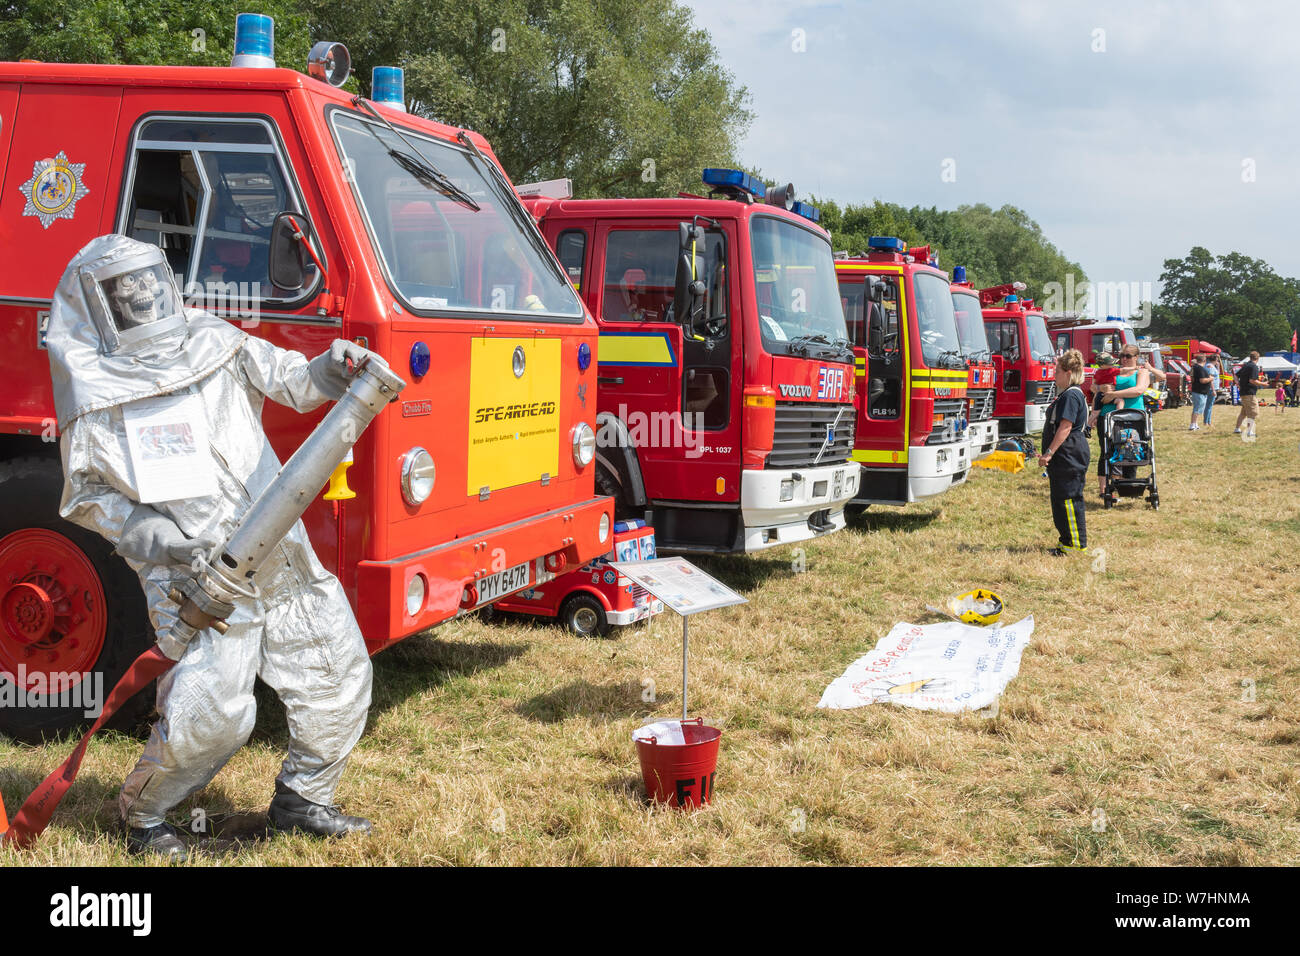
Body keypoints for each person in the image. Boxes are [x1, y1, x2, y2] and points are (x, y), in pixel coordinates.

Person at [46, 235, 378, 861]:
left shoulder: (212, 338)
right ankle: (144, 818)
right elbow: (86, 496)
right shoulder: (95, 391)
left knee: (336, 667)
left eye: (148, 283)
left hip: (280, 545)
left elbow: (292, 381)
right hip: (193, 573)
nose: (143, 298)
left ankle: (304, 797)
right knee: (215, 710)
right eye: (126, 291)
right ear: (94, 305)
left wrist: (329, 371)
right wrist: (160, 539)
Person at [1039, 349, 1090, 555]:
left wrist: (1049, 452)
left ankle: (1075, 545)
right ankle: (1065, 542)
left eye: (1057, 371)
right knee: (1060, 499)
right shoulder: (1068, 394)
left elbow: (1065, 427)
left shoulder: (1071, 395)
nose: (1054, 375)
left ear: (1068, 373)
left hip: (1069, 454)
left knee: (1069, 499)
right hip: (1066, 454)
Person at [1088, 345, 1149, 497]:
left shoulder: (1141, 371)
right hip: (1108, 415)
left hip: (1134, 415)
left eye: (1128, 356)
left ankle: (1129, 485)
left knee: (1131, 448)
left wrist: (1114, 393)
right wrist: (1100, 388)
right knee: (1106, 451)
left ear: (1136, 357)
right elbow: (1094, 386)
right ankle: (1104, 489)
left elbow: (1138, 390)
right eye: (1122, 355)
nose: (1124, 359)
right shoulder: (1113, 370)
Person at [1234, 350, 1268, 438]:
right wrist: (1263, 384)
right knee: (1252, 413)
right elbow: (1252, 380)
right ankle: (1249, 432)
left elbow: (1236, 375)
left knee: (1244, 413)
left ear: (1250, 357)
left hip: (1243, 392)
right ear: (1258, 358)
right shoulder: (1254, 367)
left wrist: (1238, 384)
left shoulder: (1246, 365)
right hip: (1249, 393)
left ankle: (1237, 429)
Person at [1187, 354, 1213, 431]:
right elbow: (1202, 380)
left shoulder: (1194, 367)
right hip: (1199, 392)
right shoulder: (1200, 368)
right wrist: (1210, 379)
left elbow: (1192, 379)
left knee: (1198, 409)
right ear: (1204, 361)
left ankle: (1195, 424)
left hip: (1197, 390)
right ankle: (1192, 424)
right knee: (1197, 409)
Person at [1203, 354, 1220, 427]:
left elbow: (1217, 374)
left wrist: (1218, 366)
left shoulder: (1210, 366)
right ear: (1215, 360)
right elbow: (1211, 379)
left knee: (1209, 406)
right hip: (1211, 389)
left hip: (1210, 388)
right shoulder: (1210, 367)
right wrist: (1213, 390)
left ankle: (1208, 422)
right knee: (1208, 406)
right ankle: (1206, 422)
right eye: (1217, 359)